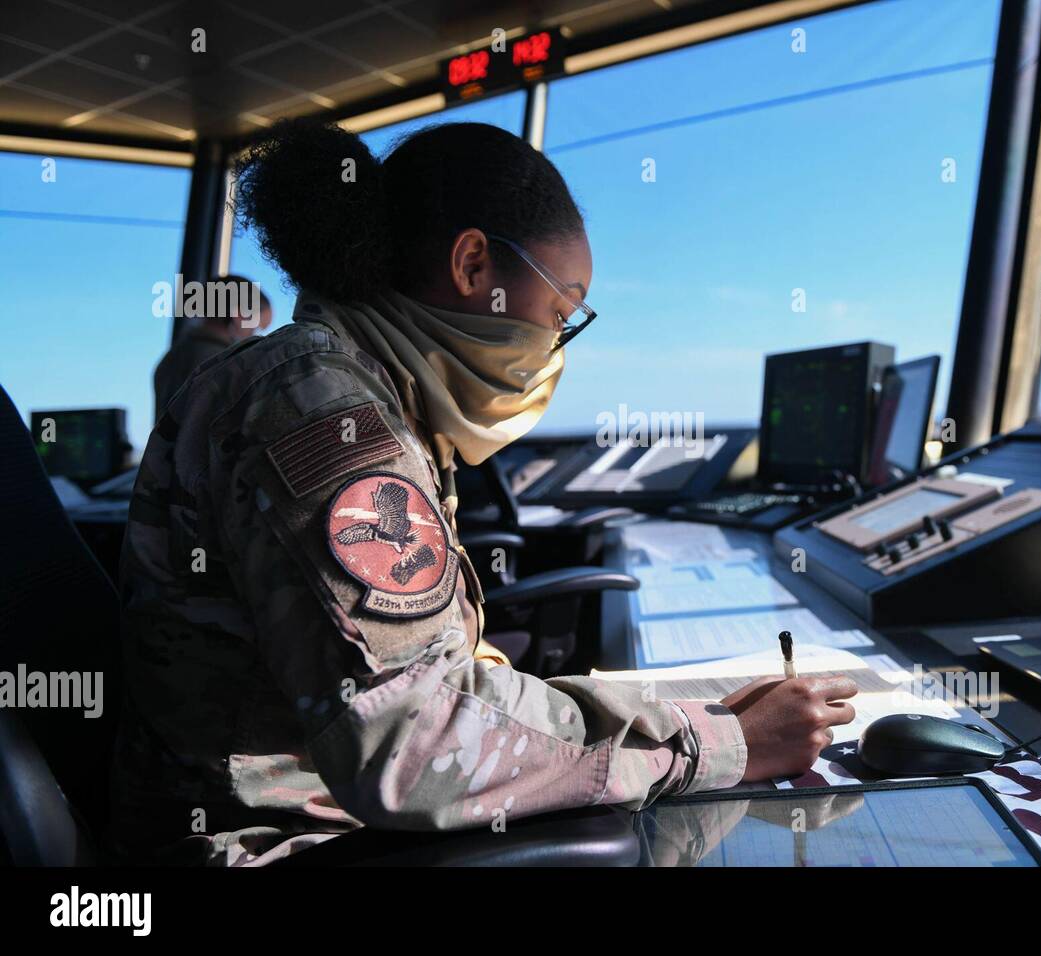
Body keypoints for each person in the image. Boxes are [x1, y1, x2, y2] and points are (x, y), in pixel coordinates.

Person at [110, 119, 857, 866]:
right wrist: (714, 742)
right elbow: (411, 741)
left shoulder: (354, 391)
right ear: (472, 264)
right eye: (561, 313)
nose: (554, 346)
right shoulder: (325, 411)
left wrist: (680, 724)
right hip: (272, 845)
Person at [152, 274, 273, 422]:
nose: (255, 335)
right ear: (240, 315)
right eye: (257, 328)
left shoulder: (175, 355)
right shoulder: (223, 364)